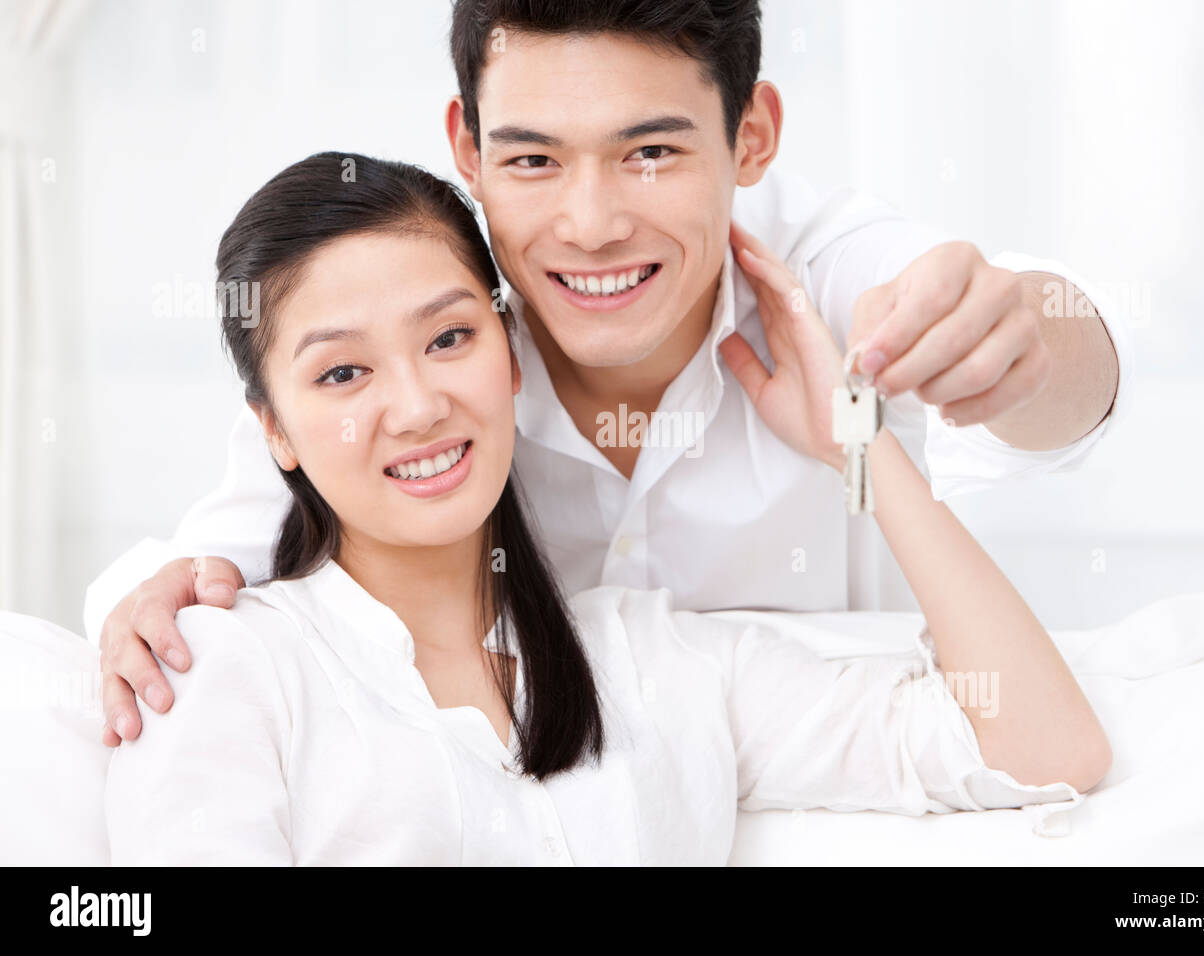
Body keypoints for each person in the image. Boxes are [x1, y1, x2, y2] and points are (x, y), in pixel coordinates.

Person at [89, 0, 1133, 747]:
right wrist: (136, 611)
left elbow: (1051, 362)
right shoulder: (417, 343)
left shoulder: (818, 276)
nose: (589, 227)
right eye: (533, 160)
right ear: (467, 146)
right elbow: (187, 583)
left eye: (650, 154)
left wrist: (1018, 334)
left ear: (752, 135)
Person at [105, 152, 1109, 865]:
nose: (415, 406)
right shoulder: (221, 668)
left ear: (511, 356)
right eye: (342, 372)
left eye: (449, 339)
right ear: (273, 430)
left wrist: (860, 442)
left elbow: (1039, 749)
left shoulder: (656, 660)